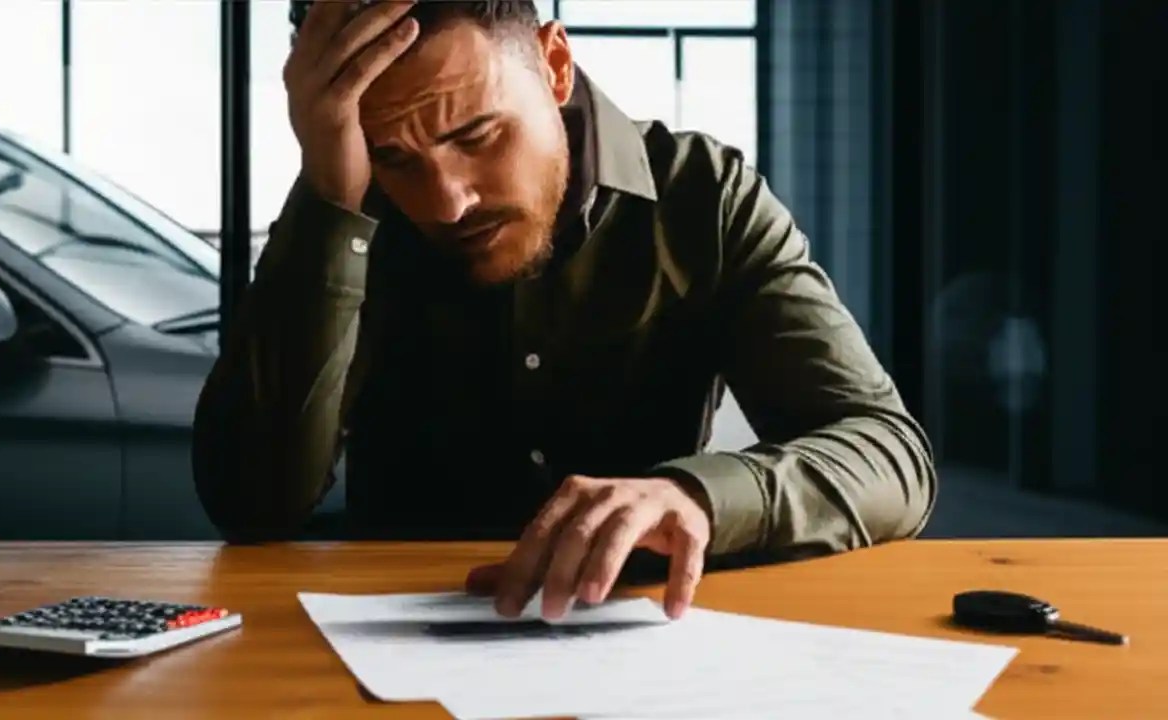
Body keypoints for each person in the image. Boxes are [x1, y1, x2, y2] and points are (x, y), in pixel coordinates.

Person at [192, 0, 936, 621]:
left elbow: (891, 457)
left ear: (553, 65)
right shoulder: (355, 213)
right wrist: (329, 196)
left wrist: (698, 496)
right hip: (385, 651)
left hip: (652, 643)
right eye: (396, 156)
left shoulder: (703, 199)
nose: (446, 202)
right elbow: (252, 506)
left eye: (476, 135)